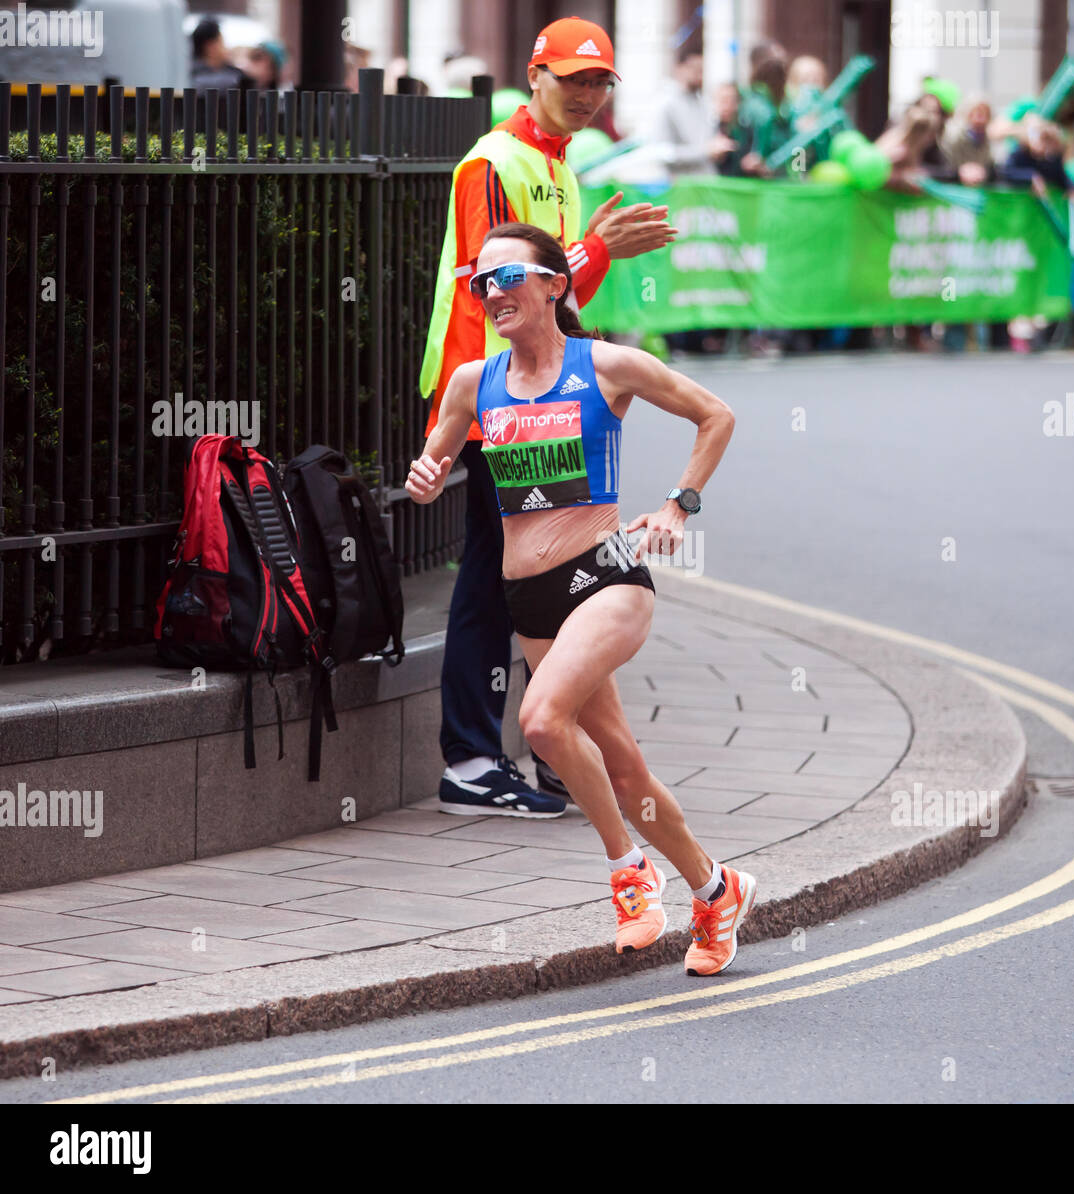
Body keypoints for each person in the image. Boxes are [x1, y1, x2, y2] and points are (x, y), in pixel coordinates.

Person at [405, 222, 755, 977]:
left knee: (538, 722)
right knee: (624, 767)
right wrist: (426, 475)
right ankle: (716, 888)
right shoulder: (474, 382)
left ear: (554, 284)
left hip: (606, 574)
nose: (492, 294)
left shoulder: (607, 366)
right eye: (480, 283)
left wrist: (677, 507)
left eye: (507, 278)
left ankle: (629, 877)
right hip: (526, 595)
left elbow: (715, 415)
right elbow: (433, 455)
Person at [417, 17, 676, 817]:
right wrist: (594, 256)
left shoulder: (558, 161)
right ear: (535, 76)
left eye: (599, 83)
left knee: (558, 566)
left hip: (541, 395)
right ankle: (467, 758)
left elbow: (552, 297)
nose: (588, 96)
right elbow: (493, 293)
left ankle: (553, 743)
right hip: (497, 400)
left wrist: (587, 268)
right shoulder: (492, 162)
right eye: (573, 81)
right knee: (499, 568)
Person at [643, 47, 732, 180]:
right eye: (694, 68)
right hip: (681, 187)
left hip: (706, 185)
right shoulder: (665, 104)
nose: (699, 74)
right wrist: (705, 151)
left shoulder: (703, 101)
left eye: (701, 69)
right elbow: (663, 153)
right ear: (679, 68)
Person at [190, 18, 251, 91]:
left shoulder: (188, 72)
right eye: (221, 41)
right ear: (210, 46)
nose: (226, 47)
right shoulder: (234, 77)